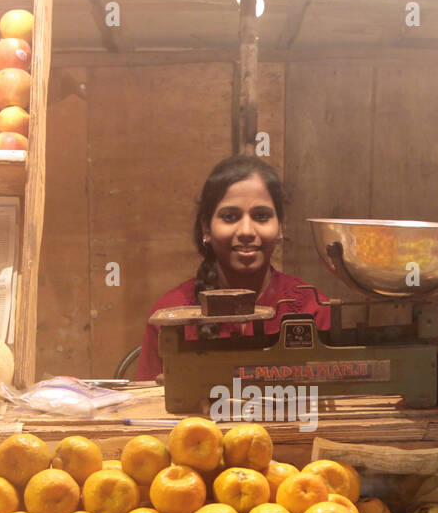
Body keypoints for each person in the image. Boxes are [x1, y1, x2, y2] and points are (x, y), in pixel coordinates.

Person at [134, 156, 330, 381]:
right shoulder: (170, 314)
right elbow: (148, 405)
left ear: (280, 227)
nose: (246, 230)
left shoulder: (312, 308)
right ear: (206, 227)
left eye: (261, 216)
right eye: (230, 217)